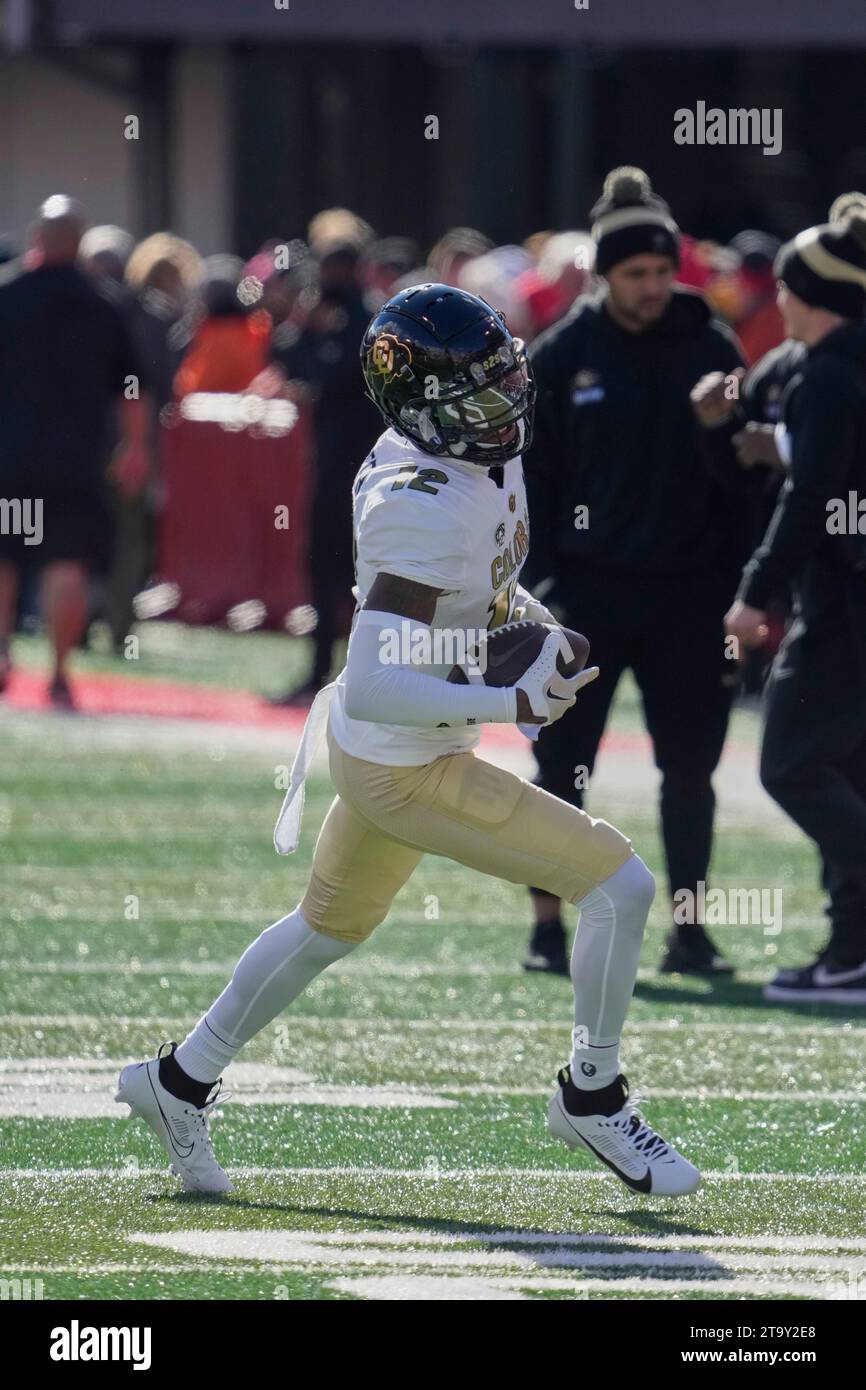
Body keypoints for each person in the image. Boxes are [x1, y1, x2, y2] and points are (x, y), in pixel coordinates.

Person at [116, 283, 700, 1199]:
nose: (505, 400)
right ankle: (593, 1095)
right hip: (403, 759)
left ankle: (178, 1079)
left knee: (326, 926)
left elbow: (472, 599)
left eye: (505, 375)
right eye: (478, 391)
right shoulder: (421, 500)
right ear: (426, 411)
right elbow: (384, 676)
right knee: (619, 886)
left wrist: (533, 627)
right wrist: (513, 690)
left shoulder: (461, 454)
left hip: (385, 746)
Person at [520, 167, 747, 978]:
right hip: (588, 592)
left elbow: (745, 479)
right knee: (559, 767)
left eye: (662, 272)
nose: (654, 288)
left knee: (689, 769)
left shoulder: (708, 344)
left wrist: (720, 432)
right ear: (603, 274)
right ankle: (548, 926)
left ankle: (690, 929)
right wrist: (542, 592)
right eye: (637, 274)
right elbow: (532, 486)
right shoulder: (561, 354)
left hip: (691, 591)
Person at [722, 211, 866, 1004]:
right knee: (847, 772)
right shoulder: (833, 365)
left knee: (791, 765)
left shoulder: (830, 373)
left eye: (788, 286)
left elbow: (812, 499)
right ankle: (851, 953)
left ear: (813, 293)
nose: (778, 298)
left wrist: (753, 593)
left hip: (843, 605)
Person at [0, 195, 150, 705]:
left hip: (11, 457)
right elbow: (132, 387)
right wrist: (135, 447)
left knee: (5, 556)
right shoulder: (102, 304)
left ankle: (2, 654)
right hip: (76, 459)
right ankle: (59, 670)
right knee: (66, 562)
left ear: (37, 239)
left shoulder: (7, 296)